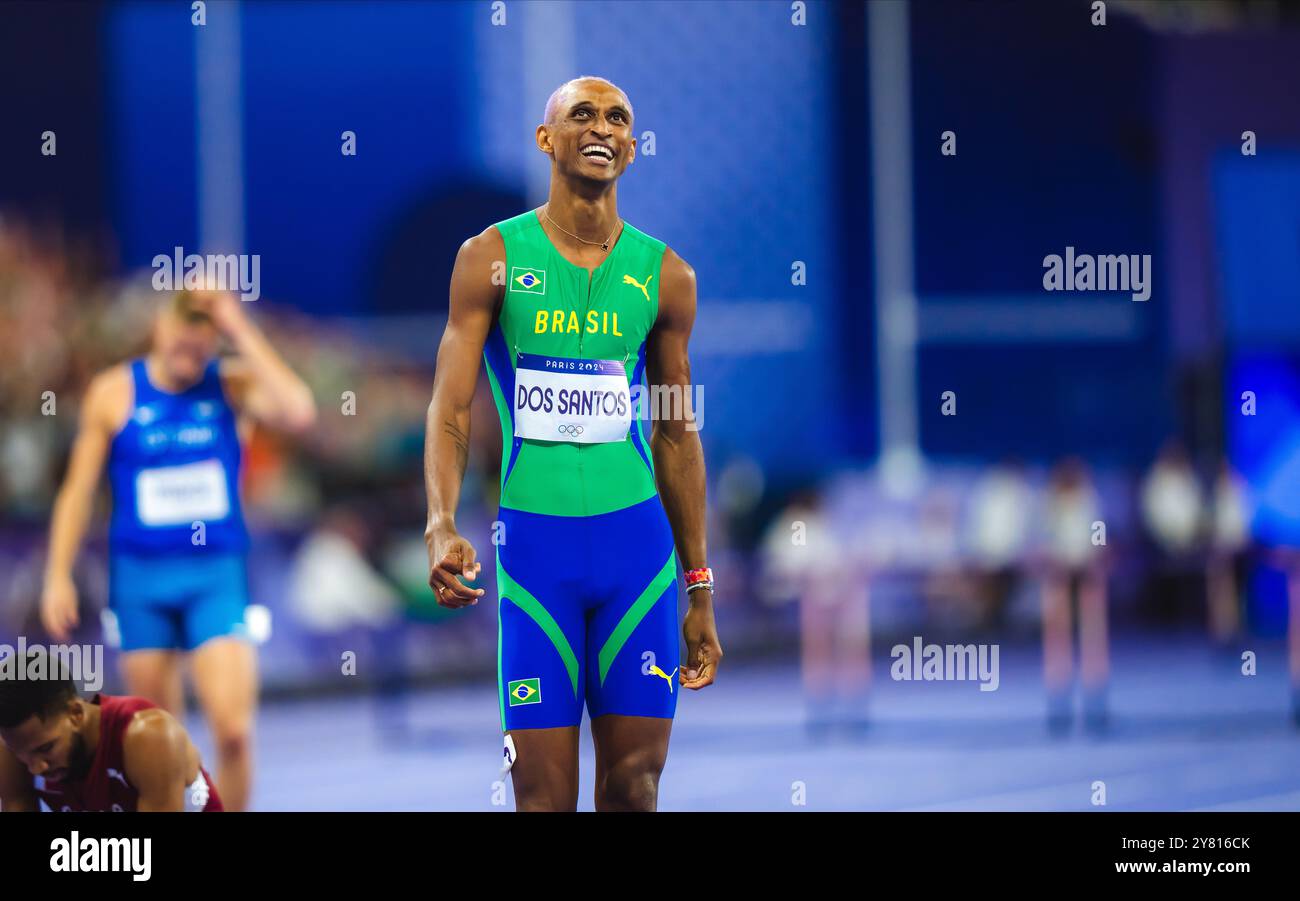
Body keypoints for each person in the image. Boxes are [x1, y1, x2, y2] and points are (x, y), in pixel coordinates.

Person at [423, 76, 722, 811]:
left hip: (637, 557)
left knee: (634, 787)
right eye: (581, 114)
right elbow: (451, 408)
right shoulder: (490, 258)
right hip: (536, 559)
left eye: (617, 118)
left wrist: (699, 586)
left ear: (632, 147)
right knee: (541, 796)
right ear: (545, 139)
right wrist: (441, 522)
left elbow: (676, 431)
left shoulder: (667, 276)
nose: (601, 127)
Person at [39, 289, 316, 810]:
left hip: (214, 576)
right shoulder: (114, 392)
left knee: (234, 732)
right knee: (158, 745)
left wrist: (238, 326)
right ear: (159, 329)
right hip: (140, 581)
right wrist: (57, 574)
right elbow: (77, 491)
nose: (189, 359)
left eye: (200, 349)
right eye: (180, 346)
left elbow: (298, 412)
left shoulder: (230, 385)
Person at [0, 650, 223, 812]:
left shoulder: (149, 736)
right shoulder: (17, 744)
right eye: (23, 755)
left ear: (76, 714)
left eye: (46, 748)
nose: (36, 767)